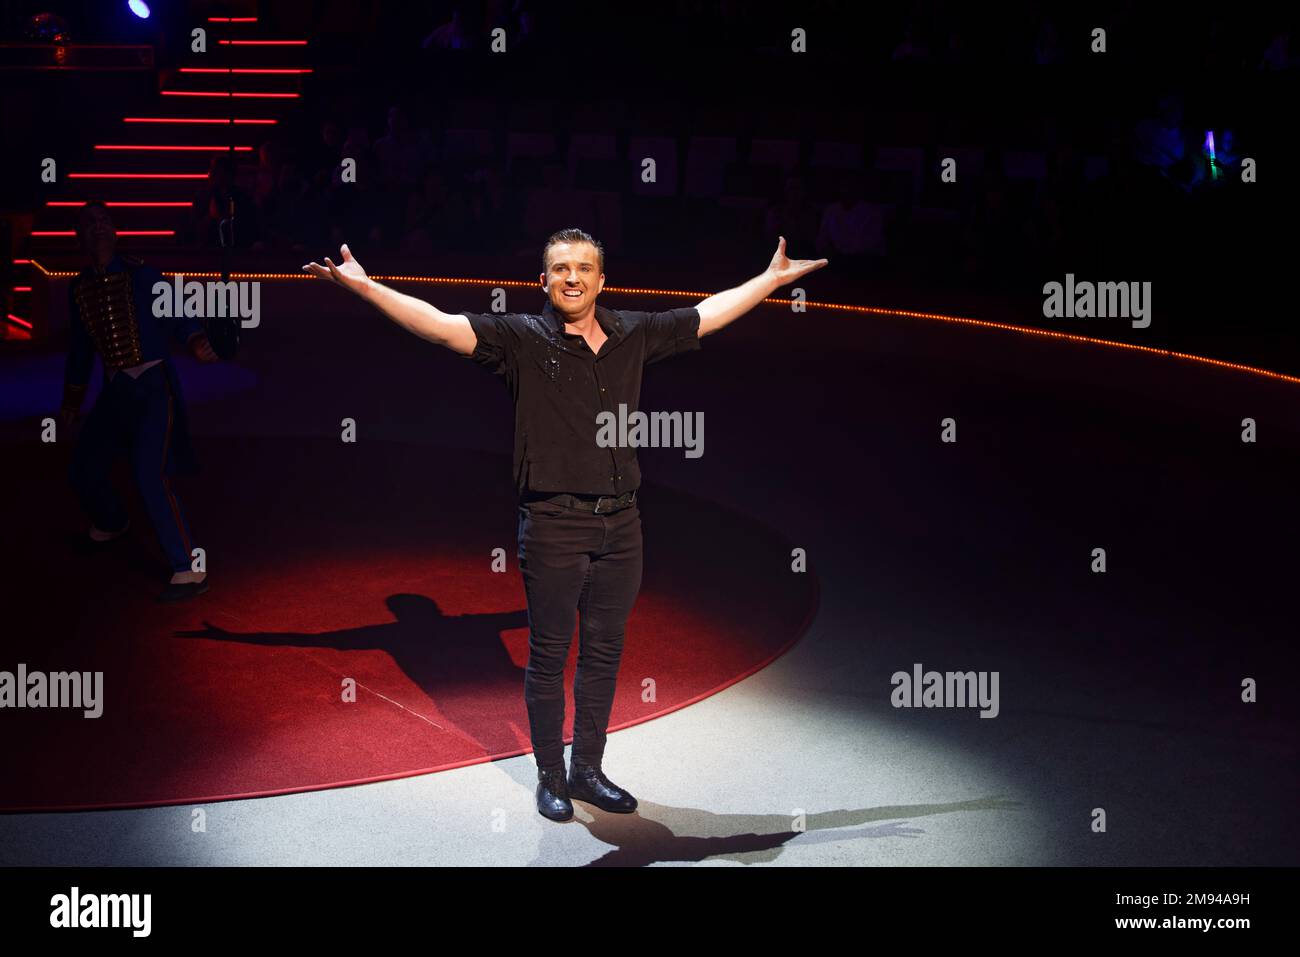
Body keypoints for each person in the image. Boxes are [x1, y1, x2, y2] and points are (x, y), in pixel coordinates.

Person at [303, 228, 826, 820]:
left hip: (622, 525)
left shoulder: (633, 333)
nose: (572, 277)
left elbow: (704, 315)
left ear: (603, 280)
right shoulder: (519, 339)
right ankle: (551, 776)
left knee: (604, 653)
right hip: (553, 524)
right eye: (560, 268)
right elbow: (440, 323)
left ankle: (588, 770)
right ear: (543, 279)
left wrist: (770, 279)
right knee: (550, 657)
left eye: (583, 268)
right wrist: (367, 287)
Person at [60, 201, 219, 601]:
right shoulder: (78, 289)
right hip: (115, 392)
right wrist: (71, 402)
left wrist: (196, 339)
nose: (98, 228)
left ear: (115, 230)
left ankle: (188, 568)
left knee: (150, 472)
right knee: (82, 467)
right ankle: (112, 521)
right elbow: (80, 352)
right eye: (89, 223)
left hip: (152, 387)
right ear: (79, 235)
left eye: (104, 221)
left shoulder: (142, 274)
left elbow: (177, 312)